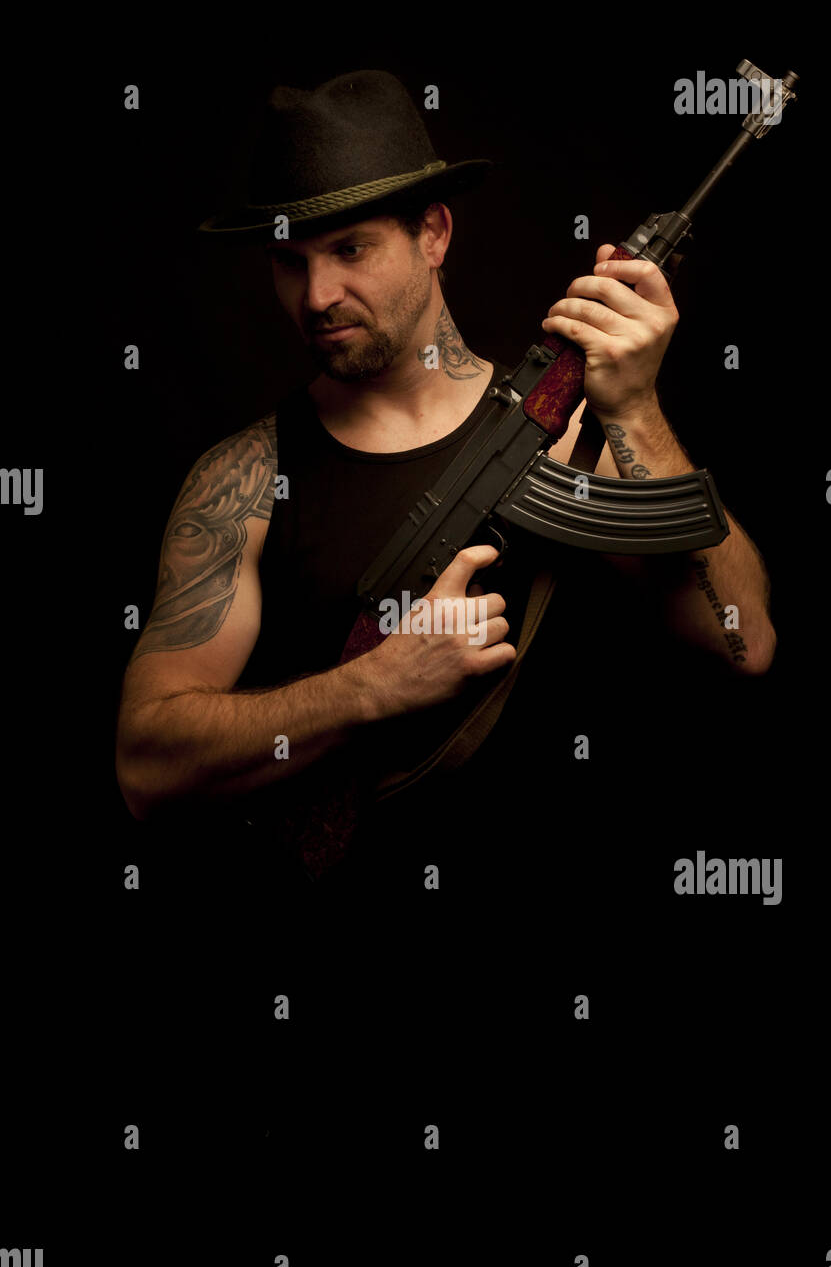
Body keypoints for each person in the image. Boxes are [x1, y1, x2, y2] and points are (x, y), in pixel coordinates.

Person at [115, 70, 776, 884]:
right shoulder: (245, 477)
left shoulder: (576, 439)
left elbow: (745, 645)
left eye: (351, 249)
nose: (318, 296)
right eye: (289, 261)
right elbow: (145, 768)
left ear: (433, 233)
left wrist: (635, 411)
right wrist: (372, 687)